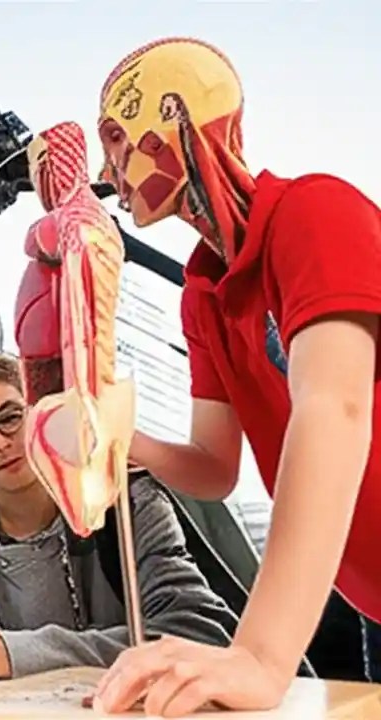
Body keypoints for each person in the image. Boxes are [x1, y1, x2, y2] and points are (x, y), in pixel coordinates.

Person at [90, 37, 381, 717]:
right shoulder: (202, 293)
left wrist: (260, 655)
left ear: (177, 121)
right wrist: (111, 430)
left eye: (117, 138)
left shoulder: (316, 211)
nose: (110, 170)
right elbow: (214, 466)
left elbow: (335, 405)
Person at [0, 350, 236, 683]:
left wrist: (24, 653)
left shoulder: (126, 501)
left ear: (39, 414)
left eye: (9, 417)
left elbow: (200, 635)